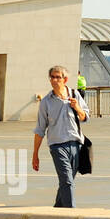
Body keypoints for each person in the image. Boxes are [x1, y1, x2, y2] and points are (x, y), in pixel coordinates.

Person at [31, 65, 88, 208]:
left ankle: (58, 209)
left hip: (76, 144)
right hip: (57, 145)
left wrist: (77, 108)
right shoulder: (46, 102)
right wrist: (35, 154)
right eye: (52, 77)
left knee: (66, 182)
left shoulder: (75, 95)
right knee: (67, 180)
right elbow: (40, 129)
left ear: (65, 79)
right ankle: (71, 213)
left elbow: (85, 117)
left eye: (58, 77)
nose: (55, 80)